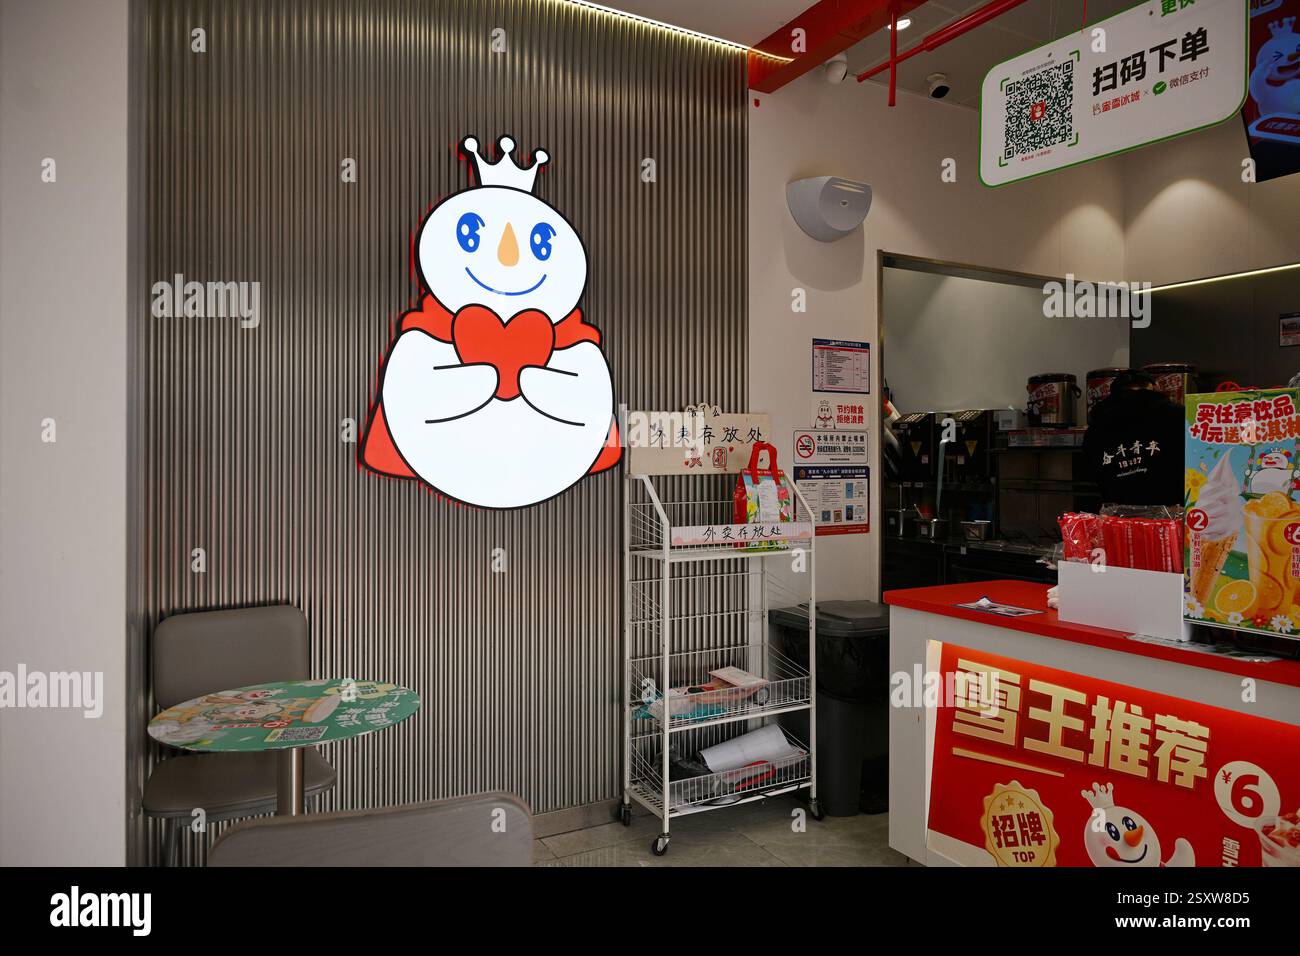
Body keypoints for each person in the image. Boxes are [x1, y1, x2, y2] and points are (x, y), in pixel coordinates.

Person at [1080, 370, 1185, 506]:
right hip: (1169, 512)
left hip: (1116, 514)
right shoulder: (1178, 416)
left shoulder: (1098, 422)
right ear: (1154, 387)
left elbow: (1089, 469)